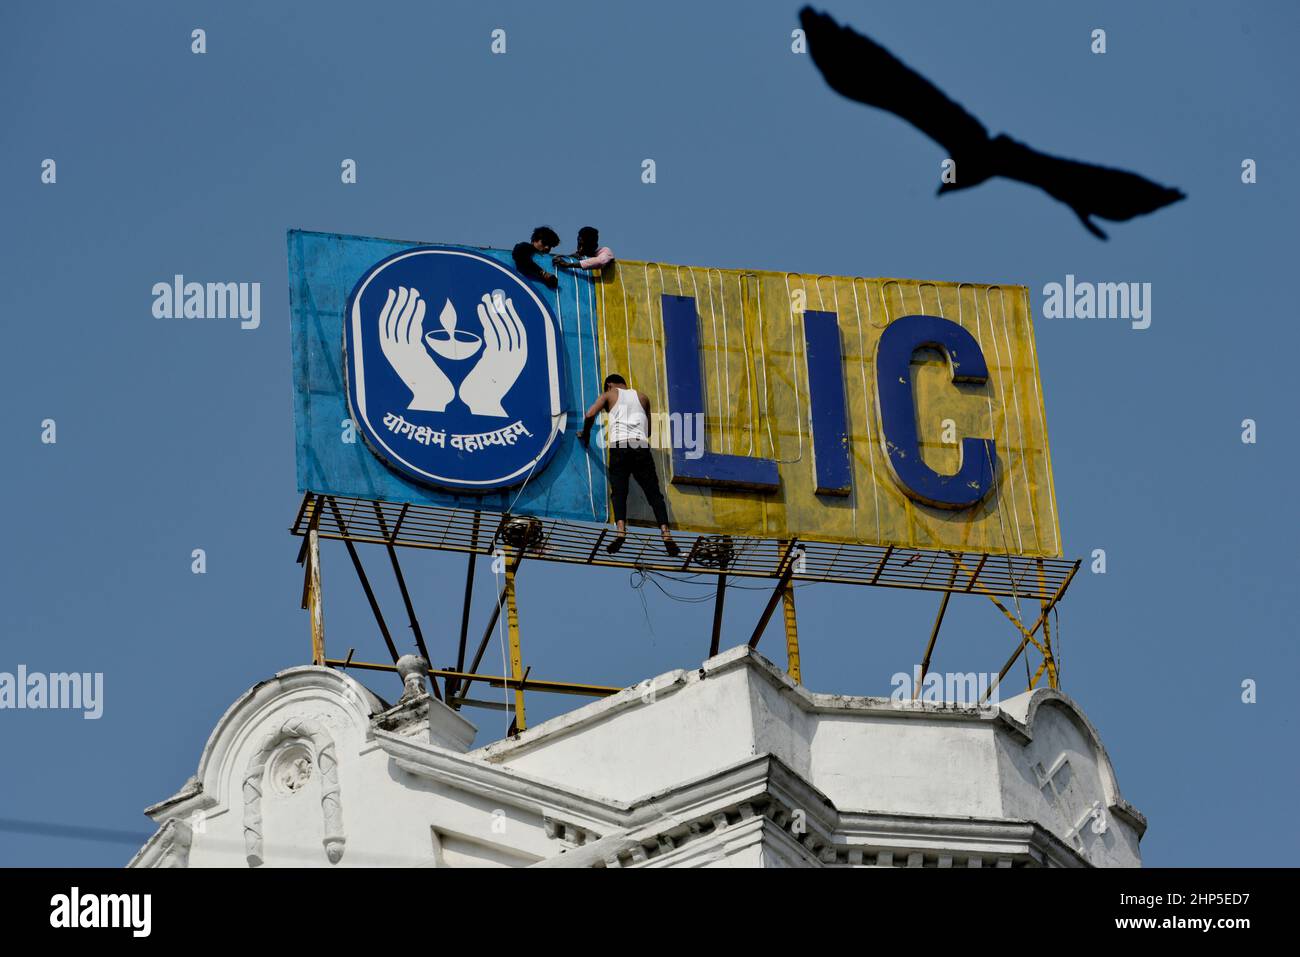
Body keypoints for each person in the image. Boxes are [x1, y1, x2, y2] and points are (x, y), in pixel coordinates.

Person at [577, 374, 679, 556]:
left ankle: (621, 531)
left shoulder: (609, 394)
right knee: (654, 494)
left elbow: (590, 414)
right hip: (640, 445)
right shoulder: (643, 397)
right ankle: (666, 534)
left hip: (619, 446)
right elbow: (647, 431)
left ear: (609, 385)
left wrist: (585, 435)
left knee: (619, 492)